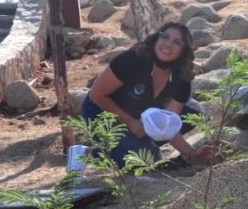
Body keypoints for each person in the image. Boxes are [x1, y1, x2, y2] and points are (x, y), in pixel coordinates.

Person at [83, 21, 213, 169]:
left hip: (138, 115)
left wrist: (191, 154)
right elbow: (97, 95)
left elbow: (167, 126)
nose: (168, 44)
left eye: (177, 42)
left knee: (193, 114)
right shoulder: (132, 60)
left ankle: (139, 143)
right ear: (156, 39)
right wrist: (130, 122)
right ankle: (89, 153)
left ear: (183, 50)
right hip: (101, 112)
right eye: (165, 37)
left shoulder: (181, 79)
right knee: (148, 159)